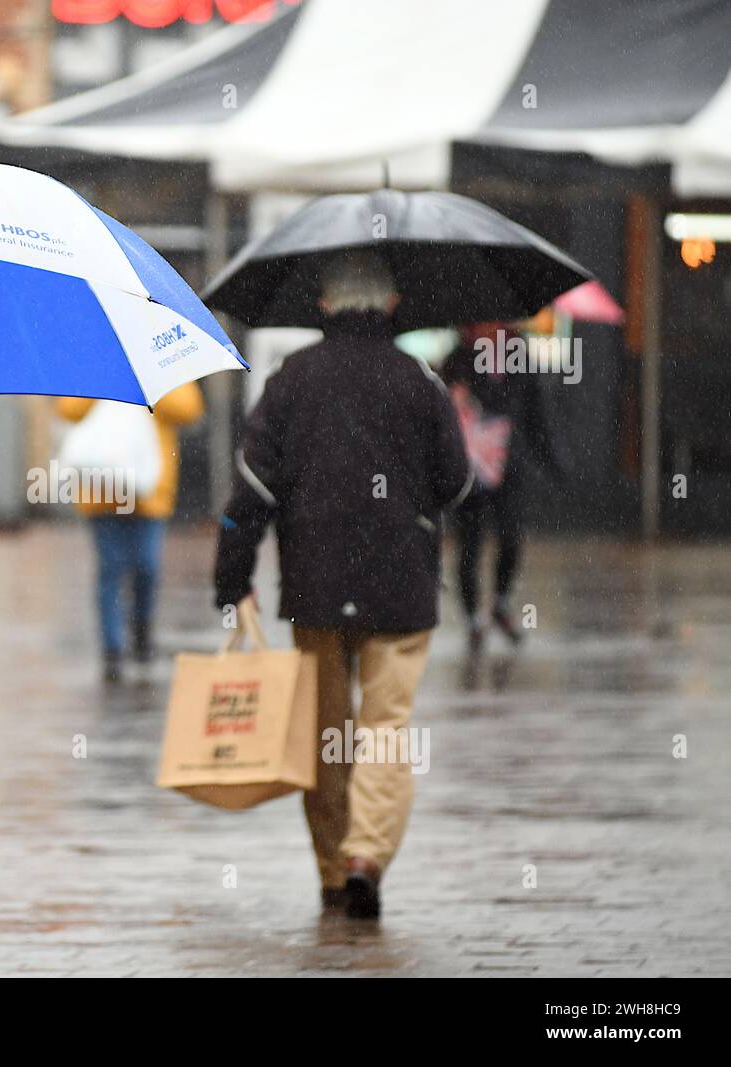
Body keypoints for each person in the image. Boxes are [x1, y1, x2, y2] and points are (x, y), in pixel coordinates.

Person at [213, 252, 471, 920]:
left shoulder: (293, 378)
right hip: (401, 584)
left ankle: (332, 869)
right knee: (385, 727)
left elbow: (254, 489)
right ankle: (365, 856)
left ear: (323, 306)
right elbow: (458, 481)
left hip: (315, 582)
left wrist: (231, 574)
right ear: (391, 306)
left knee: (324, 729)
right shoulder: (421, 380)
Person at [57, 383, 204, 683]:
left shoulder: (157, 365)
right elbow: (68, 410)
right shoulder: (94, 362)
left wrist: (145, 387)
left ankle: (141, 631)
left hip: (149, 492)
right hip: (101, 490)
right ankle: (112, 648)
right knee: (110, 569)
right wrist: (103, 383)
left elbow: (189, 410)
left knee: (146, 567)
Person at [441, 323, 565, 653]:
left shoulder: (518, 355)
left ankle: (499, 602)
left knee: (511, 537)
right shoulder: (457, 361)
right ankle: (472, 619)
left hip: (509, 466)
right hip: (470, 469)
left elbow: (534, 412)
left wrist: (552, 462)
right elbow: (443, 411)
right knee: (469, 544)